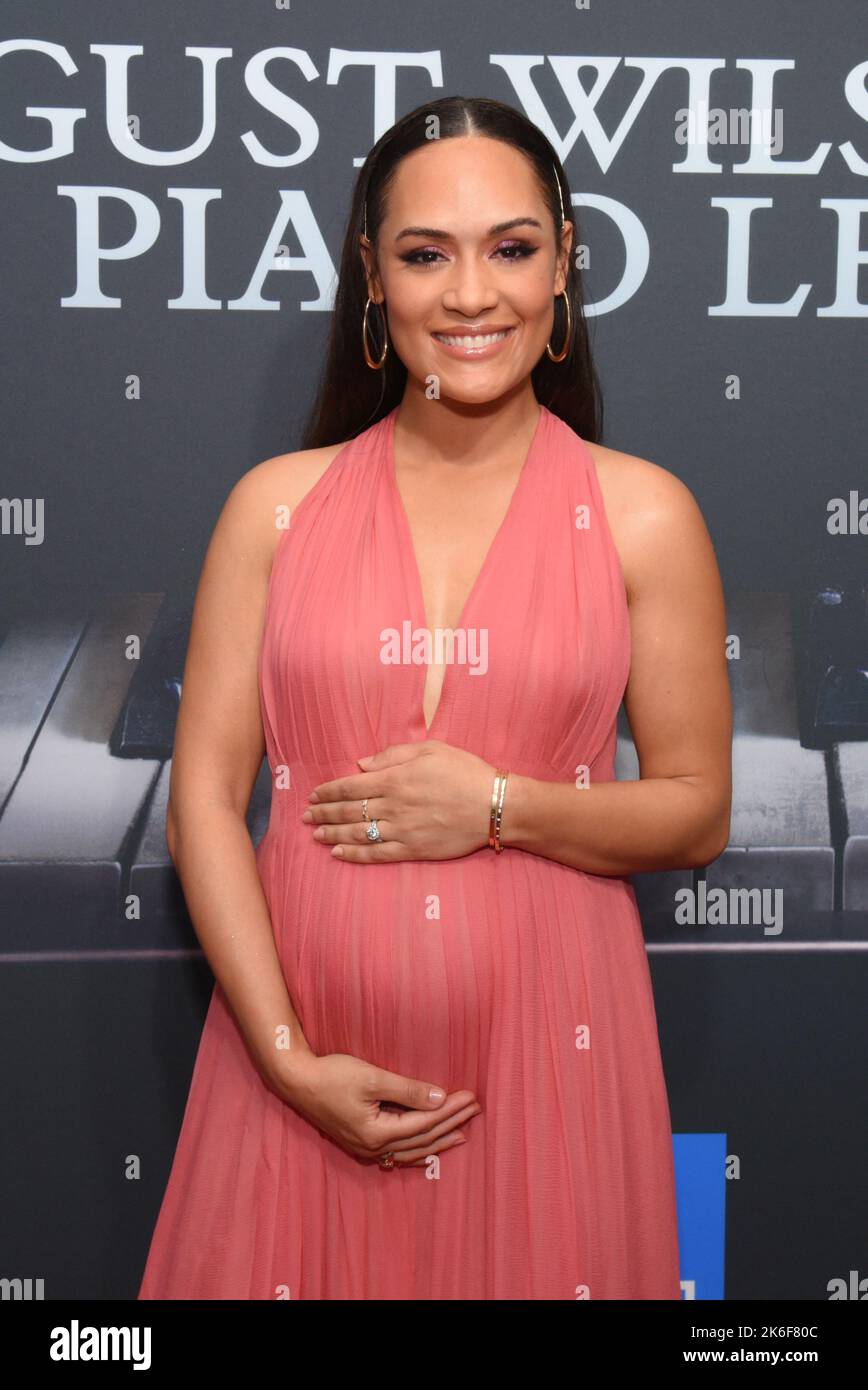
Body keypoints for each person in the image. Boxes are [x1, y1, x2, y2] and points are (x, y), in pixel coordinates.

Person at [138, 96, 732, 1300]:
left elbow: (696, 813)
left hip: (551, 1074)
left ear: (565, 263)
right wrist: (288, 1059)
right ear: (372, 276)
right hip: (294, 1084)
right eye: (425, 254)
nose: (471, 295)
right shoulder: (275, 506)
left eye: (511, 248)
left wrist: (499, 804)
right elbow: (202, 799)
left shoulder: (642, 512)